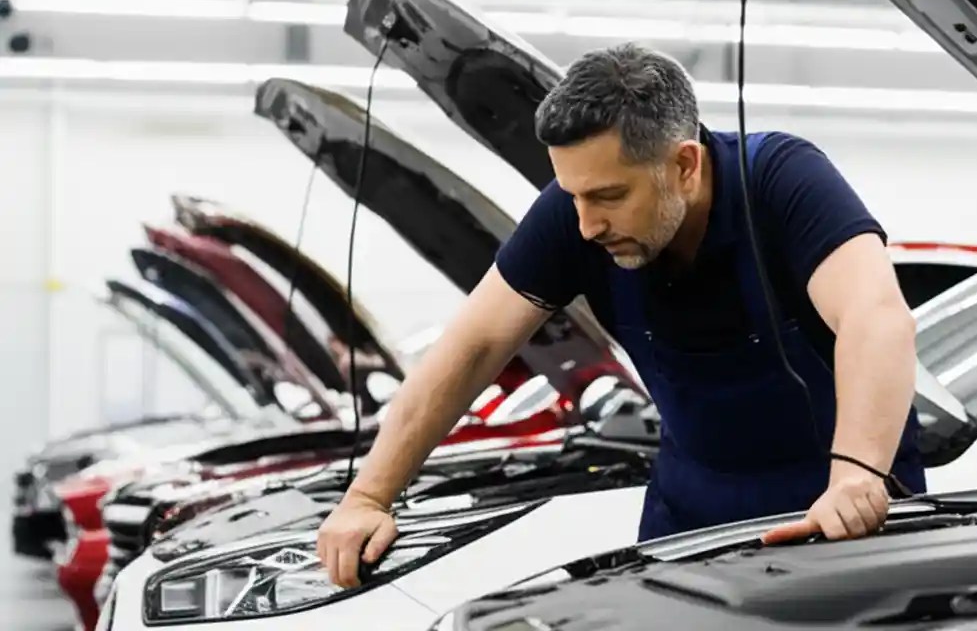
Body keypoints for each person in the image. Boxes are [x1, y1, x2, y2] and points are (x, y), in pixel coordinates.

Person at [317, 43, 924, 589]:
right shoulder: (575, 211)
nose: (586, 225)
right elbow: (474, 345)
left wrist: (854, 476)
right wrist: (368, 495)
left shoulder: (783, 180)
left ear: (685, 166)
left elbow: (876, 320)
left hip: (837, 510)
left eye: (609, 196)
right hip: (691, 512)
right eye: (575, 197)